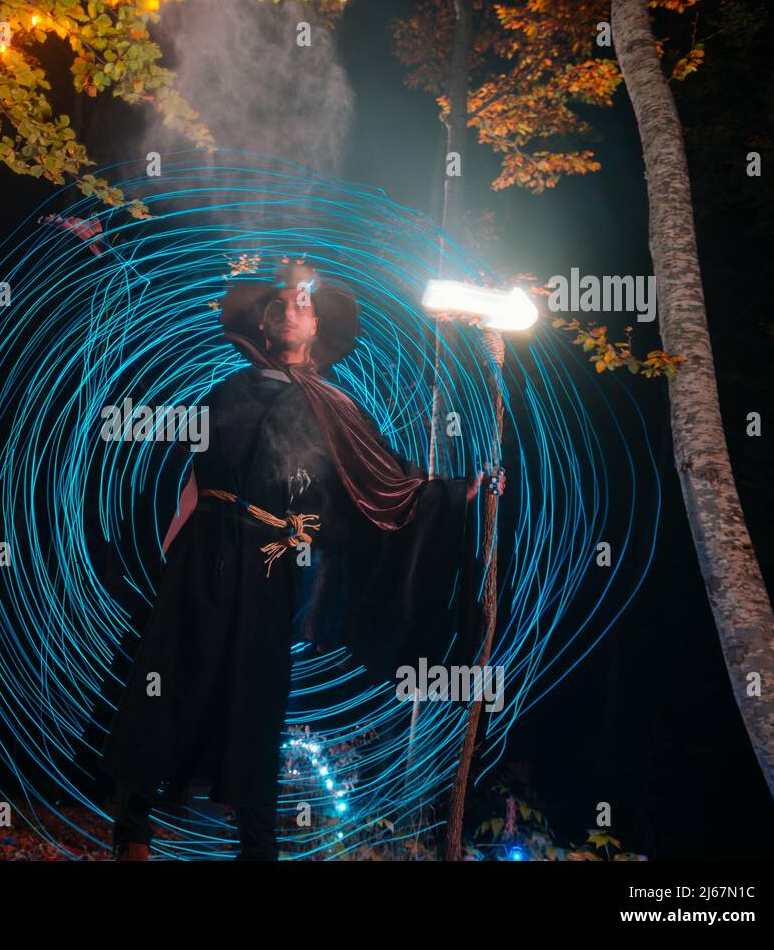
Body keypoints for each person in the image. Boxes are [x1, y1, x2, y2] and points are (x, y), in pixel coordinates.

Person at [96, 258, 505, 860]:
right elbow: (196, 477)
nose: (289, 310)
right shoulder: (227, 390)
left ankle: (256, 849)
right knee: (168, 678)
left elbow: (388, 485)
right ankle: (133, 835)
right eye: (278, 304)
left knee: (253, 694)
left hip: (266, 565)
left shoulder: (335, 408)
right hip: (199, 559)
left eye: (302, 304)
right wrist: (172, 550)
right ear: (261, 323)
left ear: (316, 328)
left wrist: (459, 492)